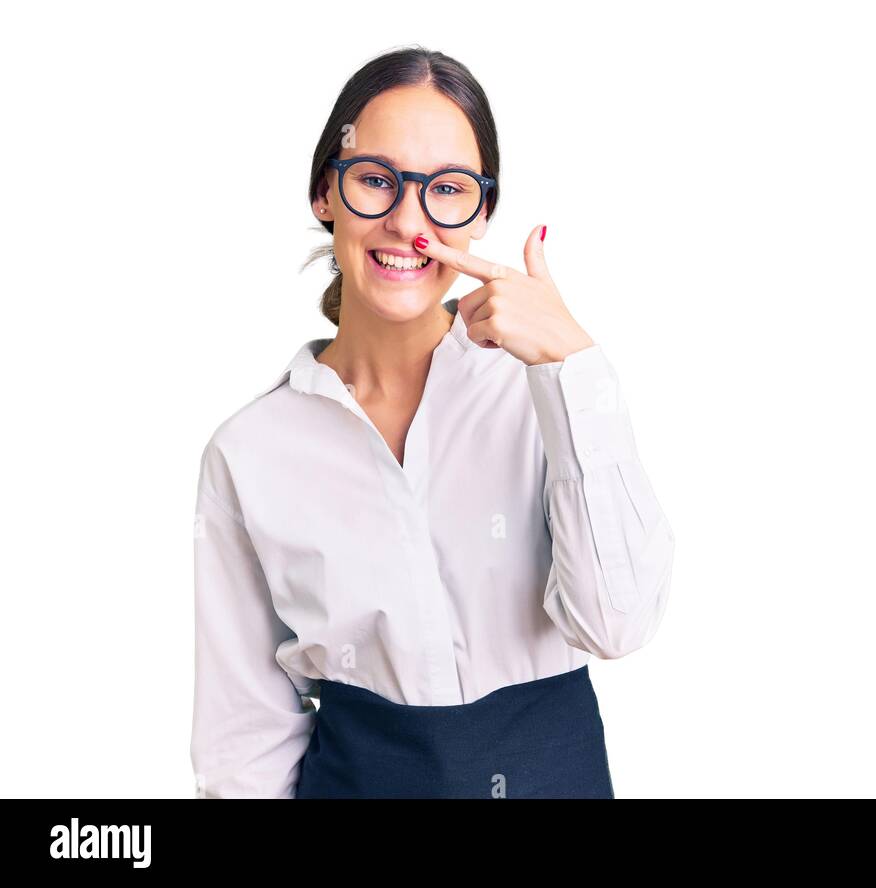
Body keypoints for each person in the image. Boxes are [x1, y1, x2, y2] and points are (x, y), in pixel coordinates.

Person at [190, 47, 674, 799]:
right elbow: (242, 743)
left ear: (481, 212)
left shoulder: (542, 394)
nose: (408, 222)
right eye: (376, 180)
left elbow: (617, 624)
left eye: (445, 190)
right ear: (326, 192)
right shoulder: (249, 453)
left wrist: (571, 362)